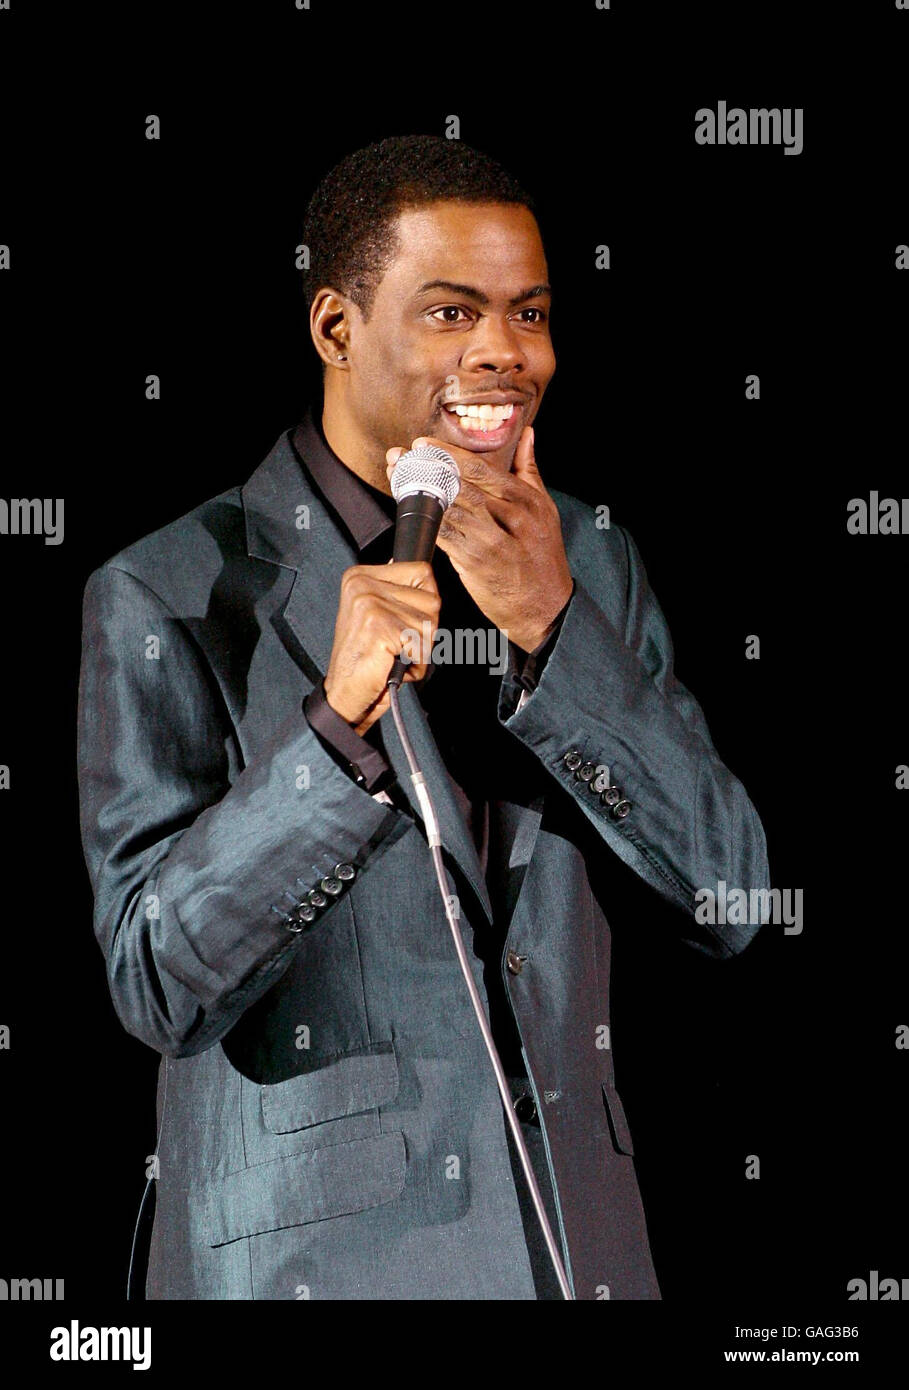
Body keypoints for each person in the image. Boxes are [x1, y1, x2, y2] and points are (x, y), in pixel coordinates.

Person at [77, 134, 770, 1300]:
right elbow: (157, 981)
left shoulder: (590, 565)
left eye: (531, 313)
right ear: (336, 328)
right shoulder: (172, 589)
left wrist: (556, 631)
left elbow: (734, 897)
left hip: (574, 1257)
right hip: (313, 1268)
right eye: (452, 314)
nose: (505, 353)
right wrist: (334, 731)